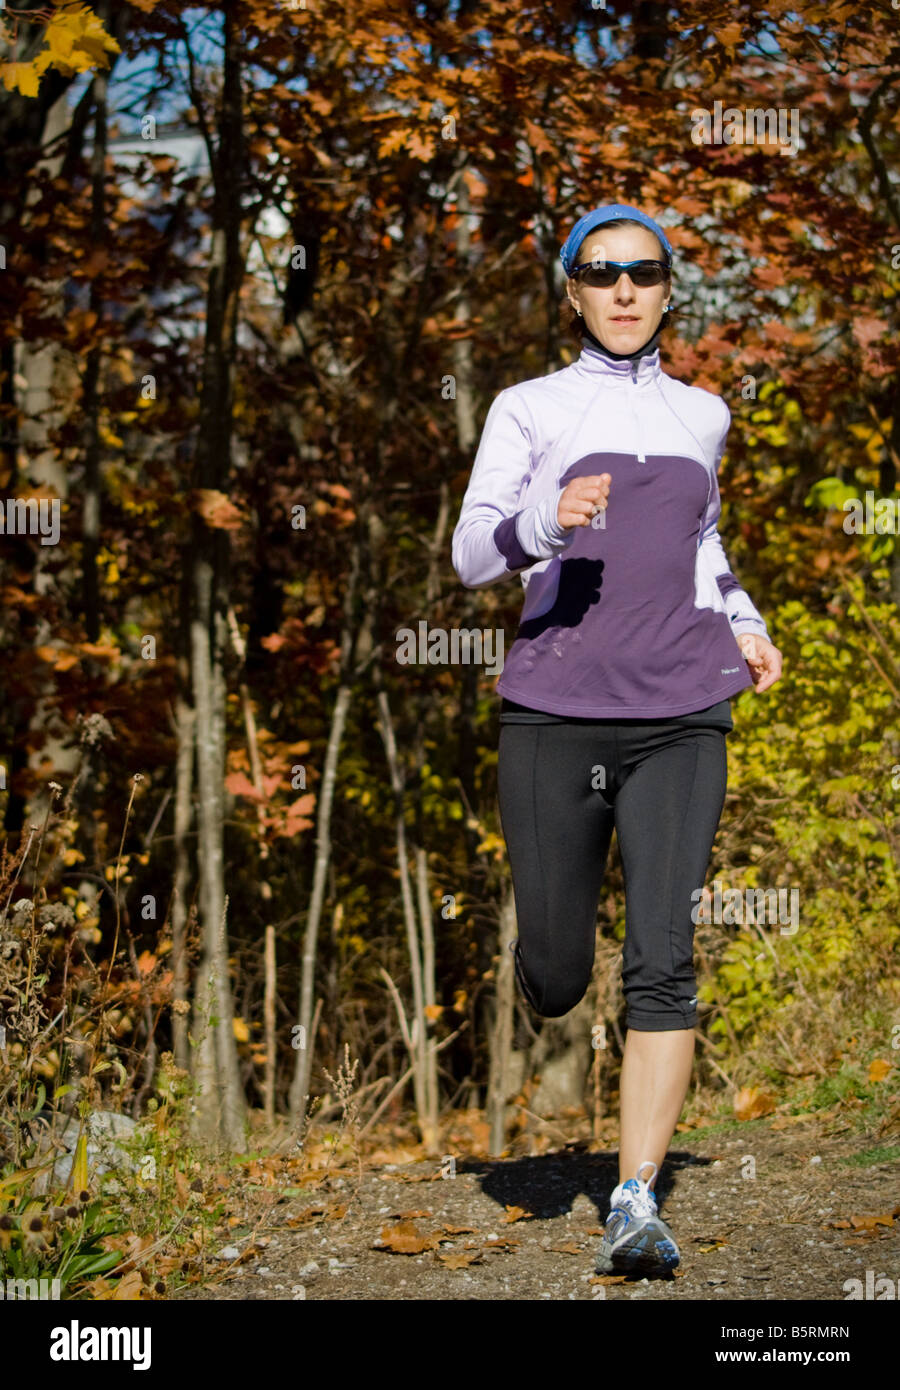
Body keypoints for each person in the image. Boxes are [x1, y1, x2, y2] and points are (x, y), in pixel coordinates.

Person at [450, 203, 783, 1278]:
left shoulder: (704, 414)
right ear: (574, 290)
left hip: (683, 708)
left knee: (663, 957)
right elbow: (469, 552)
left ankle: (634, 1199)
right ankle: (550, 965)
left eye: (644, 271)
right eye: (602, 273)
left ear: (669, 289)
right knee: (554, 971)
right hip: (554, 709)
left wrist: (745, 620)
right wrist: (549, 519)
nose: (625, 289)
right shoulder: (527, 406)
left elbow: (704, 538)